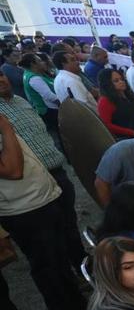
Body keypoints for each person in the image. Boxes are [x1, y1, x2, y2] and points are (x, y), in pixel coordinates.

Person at [0, 113, 86, 310]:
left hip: (43, 199)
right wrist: (5, 127)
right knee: (48, 267)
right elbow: (13, 170)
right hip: (23, 209)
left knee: (60, 260)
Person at [0, 72, 85, 269]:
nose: (2, 80)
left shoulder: (20, 101)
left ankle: (82, 266)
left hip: (55, 175)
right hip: (30, 191)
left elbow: (42, 134)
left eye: (2, 75)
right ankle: (70, 279)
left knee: (69, 227)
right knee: (49, 248)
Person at [97, 68, 134, 139]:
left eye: (122, 79)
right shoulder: (105, 101)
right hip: (129, 138)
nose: (121, 82)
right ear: (108, 84)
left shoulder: (128, 95)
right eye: (116, 81)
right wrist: (131, 132)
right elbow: (106, 125)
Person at [18, 52, 59, 130]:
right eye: (39, 61)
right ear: (33, 64)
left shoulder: (30, 73)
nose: (42, 62)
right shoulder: (34, 79)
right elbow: (49, 96)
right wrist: (63, 104)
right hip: (49, 109)